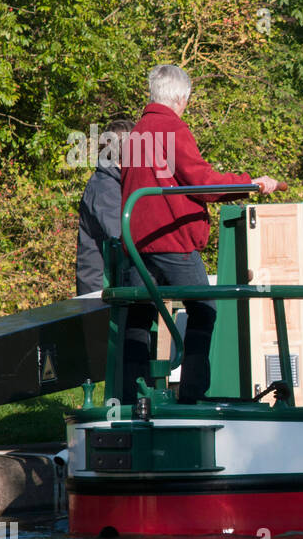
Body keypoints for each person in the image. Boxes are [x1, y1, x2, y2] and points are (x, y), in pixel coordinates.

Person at [120, 64, 280, 404]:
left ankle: (130, 397)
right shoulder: (173, 129)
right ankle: (192, 393)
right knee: (204, 308)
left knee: (138, 315)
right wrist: (252, 184)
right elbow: (204, 183)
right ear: (181, 97)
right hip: (172, 241)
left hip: (136, 243)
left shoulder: (135, 133)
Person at [74, 119, 135, 295]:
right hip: (100, 293)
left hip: (111, 285)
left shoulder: (114, 182)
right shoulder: (104, 188)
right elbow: (122, 234)